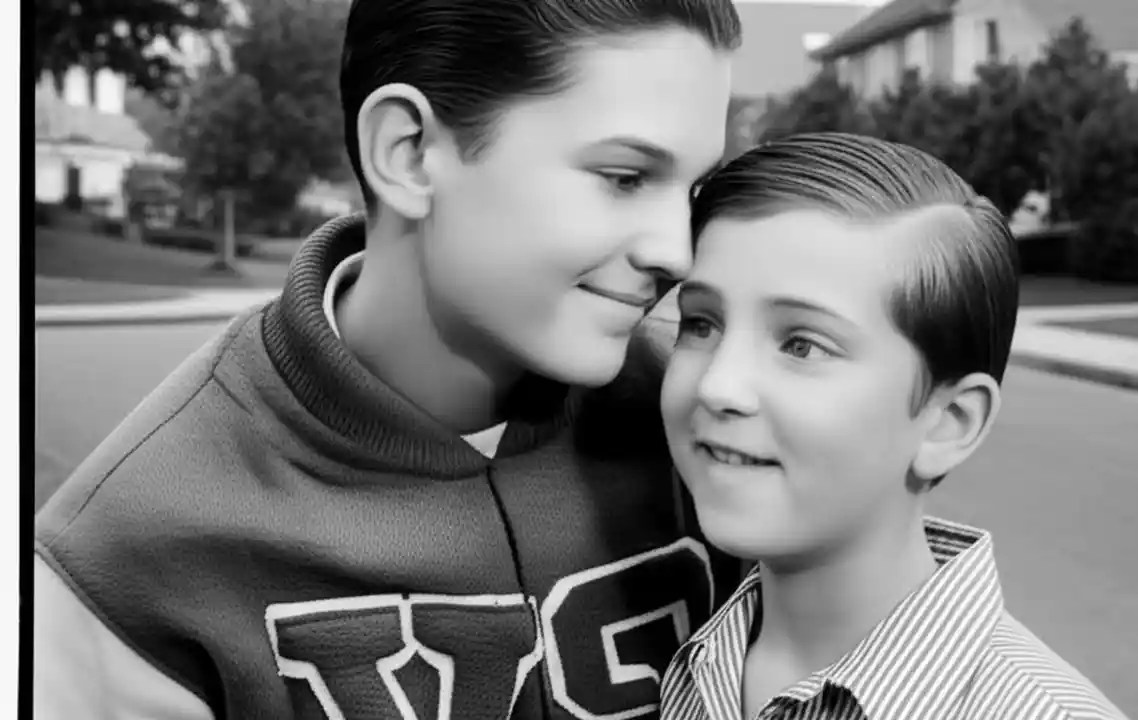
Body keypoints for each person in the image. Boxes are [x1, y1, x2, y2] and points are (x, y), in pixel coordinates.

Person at [33, 1, 745, 718]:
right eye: (624, 177)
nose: (675, 252)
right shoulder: (125, 552)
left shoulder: (714, 419)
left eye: (690, 191)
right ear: (406, 152)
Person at [658, 133, 1130, 720]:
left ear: (948, 424)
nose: (717, 385)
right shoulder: (690, 663)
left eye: (802, 344)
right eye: (702, 324)